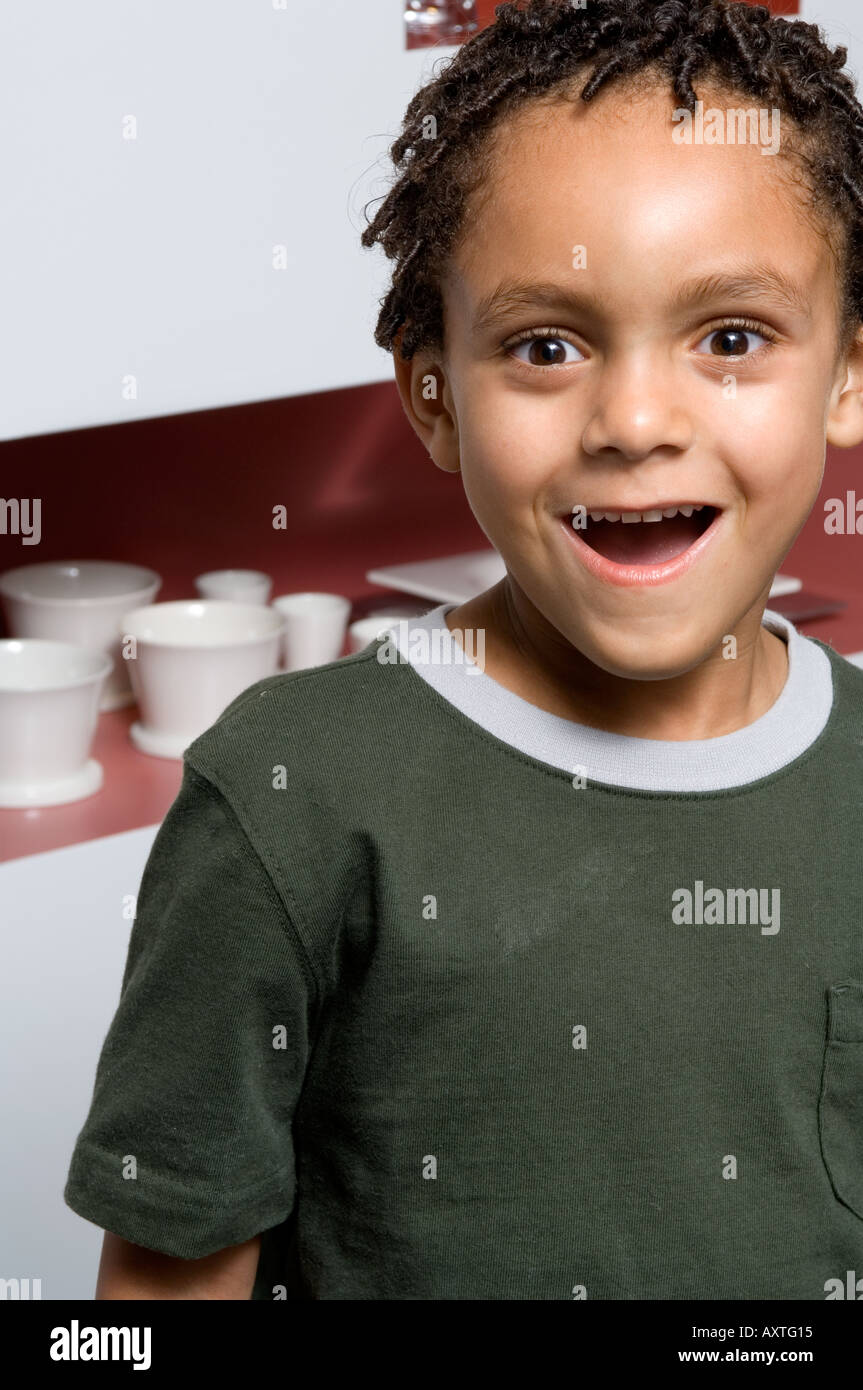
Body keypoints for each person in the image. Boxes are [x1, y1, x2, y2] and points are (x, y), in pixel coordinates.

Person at [65, 0, 863, 1299]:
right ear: (434, 395)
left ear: (847, 371)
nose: (636, 418)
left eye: (731, 336)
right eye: (546, 345)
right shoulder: (288, 792)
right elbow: (163, 1293)